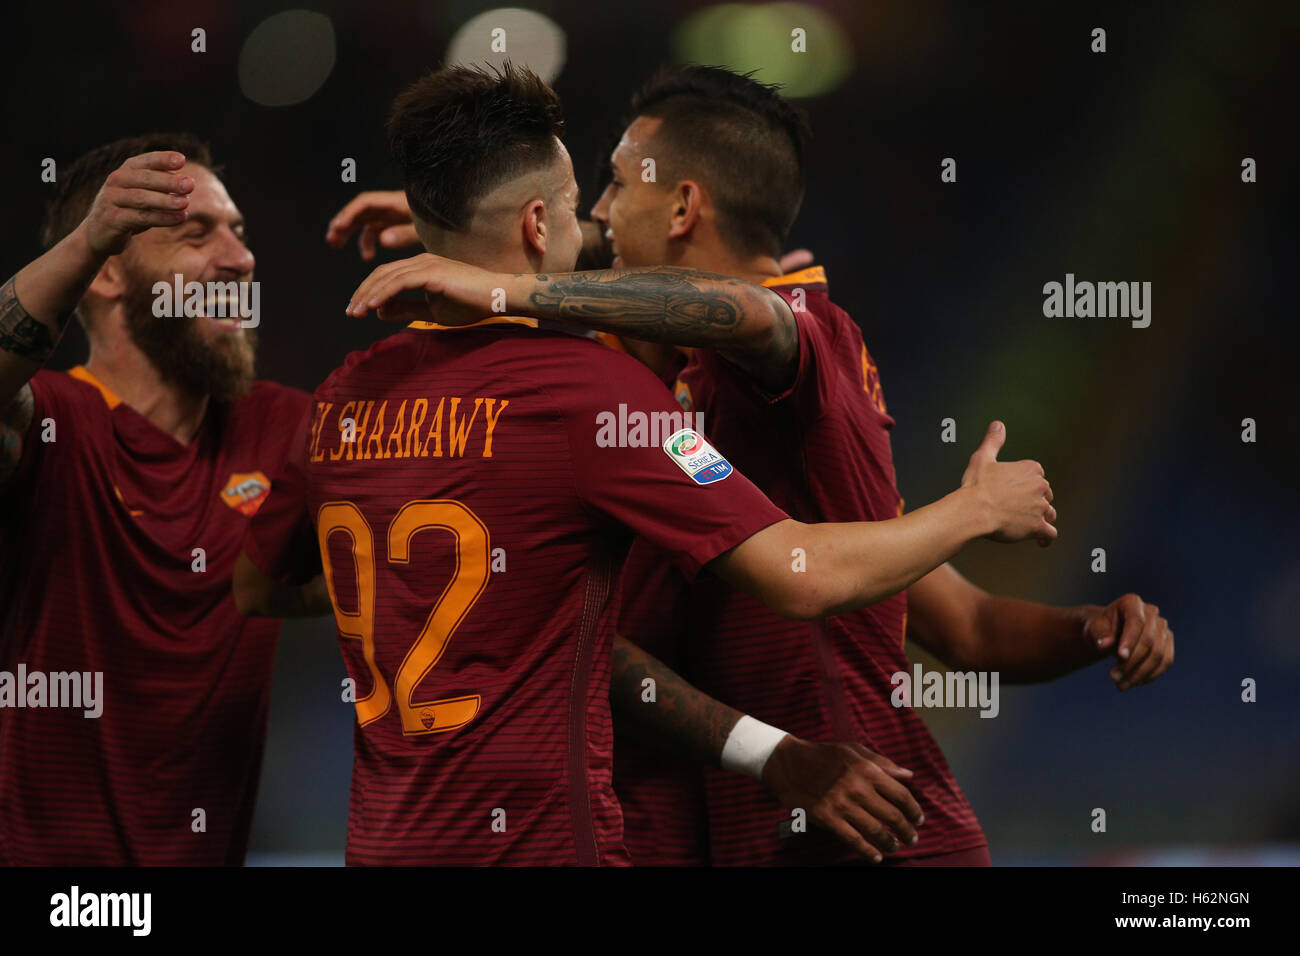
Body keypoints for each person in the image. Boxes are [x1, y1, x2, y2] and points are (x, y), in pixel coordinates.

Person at [347, 64, 1173, 866]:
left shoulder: (804, 336)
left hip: (865, 823)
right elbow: (960, 621)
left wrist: (503, 285)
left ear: (682, 205)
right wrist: (474, 224)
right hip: (731, 826)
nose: (597, 214)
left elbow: (744, 312)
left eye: (613, 186)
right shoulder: (622, 378)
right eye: (578, 203)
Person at [0, 134, 310, 864]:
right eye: (196, 234)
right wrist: (81, 245)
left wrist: (463, 236)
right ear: (106, 273)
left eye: (237, 232)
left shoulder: (281, 430)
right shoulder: (52, 421)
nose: (240, 259)